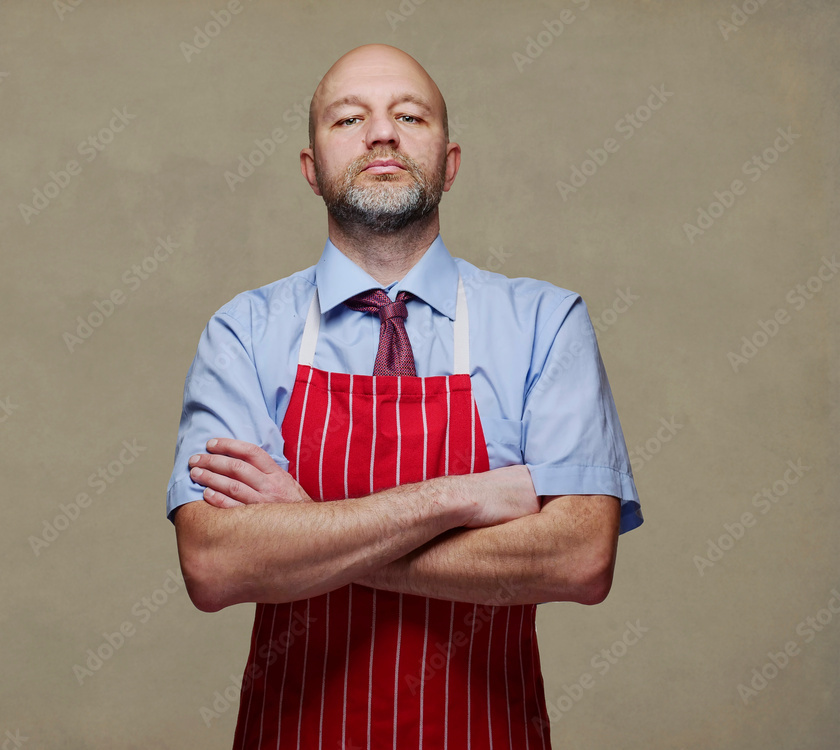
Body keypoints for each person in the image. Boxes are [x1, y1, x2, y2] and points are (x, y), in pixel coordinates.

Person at [167, 43, 642, 749]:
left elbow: (579, 560)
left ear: (449, 163)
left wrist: (309, 533)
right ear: (311, 169)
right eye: (349, 118)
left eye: (410, 116)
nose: (382, 133)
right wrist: (463, 498)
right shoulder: (245, 331)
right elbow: (214, 566)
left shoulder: (545, 323)